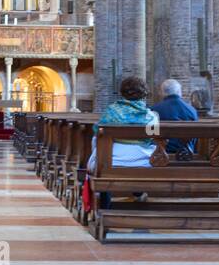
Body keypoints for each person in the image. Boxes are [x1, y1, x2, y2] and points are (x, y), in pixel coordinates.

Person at [85, 76, 158, 210]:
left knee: (97, 141)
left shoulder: (111, 112)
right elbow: (154, 138)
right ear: (143, 94)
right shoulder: (151, 116)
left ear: (123, 93)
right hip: (143, 162)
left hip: (112, 161)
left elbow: (97, 131)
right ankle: (139, 193)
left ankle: (104, 206)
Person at [152, 78, 198, 154]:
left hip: (161, 153)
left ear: (162, 92)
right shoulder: (191, 110)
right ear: (179, 91)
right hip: (186, 154)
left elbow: (151, 134)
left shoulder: (154, 110)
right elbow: (195, 136)